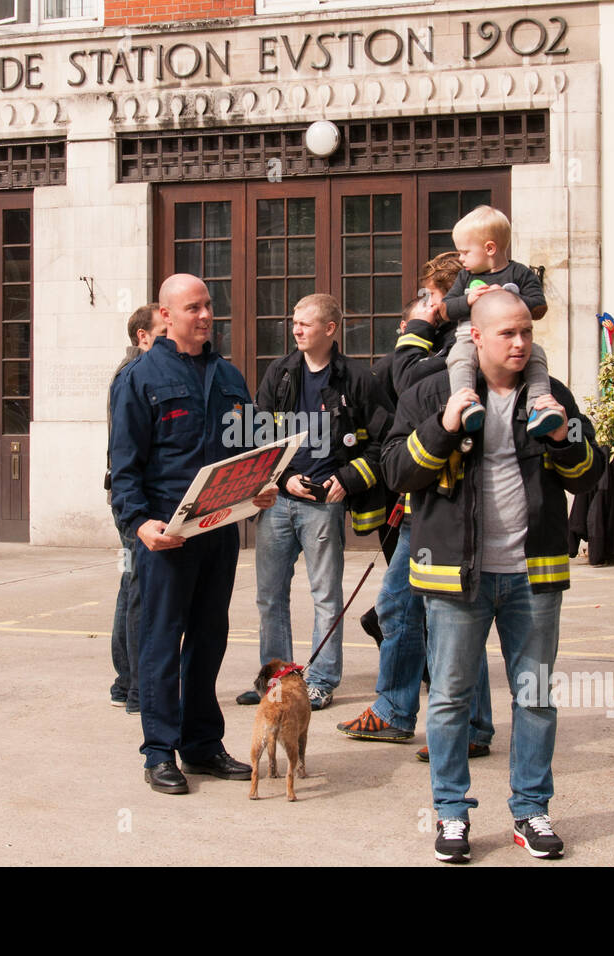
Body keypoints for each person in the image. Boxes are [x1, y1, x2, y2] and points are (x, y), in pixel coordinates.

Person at [383, 289, 604, 864]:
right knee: (451, 699)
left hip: (533, 575)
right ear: (475, 336)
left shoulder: (550, 394)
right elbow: (397, 473)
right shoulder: (432, 391)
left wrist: (563, 437)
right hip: (457, 578)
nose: (520, 342)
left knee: (534, 698)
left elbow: (586, 477)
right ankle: (452, 815)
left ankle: (531, 811)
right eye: (507, 333)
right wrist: (442, 427)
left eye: (527, 331)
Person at [109, 274, 277, 795]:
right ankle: (159, 752)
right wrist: (139, 526)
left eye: (209, 306)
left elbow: (250, 446)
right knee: (161, 644)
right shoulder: (140, 378)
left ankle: (202, 745)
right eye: (193, 308)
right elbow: (123, 467)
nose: (206, 315)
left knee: (209, 640)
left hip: (220, 531)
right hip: (169, 535)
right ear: (165, 315)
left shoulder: (229, 376)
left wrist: (260, 488)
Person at [339, 264, 495, 763]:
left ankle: (466, 723)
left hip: (447, 509)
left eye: (431, 296)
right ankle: (396, 711)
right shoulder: (449, 342)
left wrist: (418, 331)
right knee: (401, 608)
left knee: (452, 616)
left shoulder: (459, 345)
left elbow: (404, 381)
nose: (425, 305)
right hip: (420, 504)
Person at [236, 293, 385, 712]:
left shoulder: (356, 378)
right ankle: (278, 679)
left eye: (305, 323)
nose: (296, 329)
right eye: (294, 322)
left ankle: (320, 681)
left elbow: (382, 443)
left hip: (324, 504)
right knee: (269, 595)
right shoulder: (280, 374)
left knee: (325, 595)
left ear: (330, 329)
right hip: (278, 502)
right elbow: (257, 435)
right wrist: (282, 479)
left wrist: (348, 478)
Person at [441, 205, 558, 437]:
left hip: (508, 345)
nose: (460, 258)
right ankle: (466, 404)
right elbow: (445, 309)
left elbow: (539, 306)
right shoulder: (465, 277)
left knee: (536, 356)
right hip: (468, 340)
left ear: (490, 248)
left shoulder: (520, 273)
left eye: (465, 252)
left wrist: (509, 297)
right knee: (459, 358)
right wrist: (469, 300)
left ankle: (539, 407)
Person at [106, 304, 165, 715]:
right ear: (142, 337)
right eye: (163, 332)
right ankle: (136, 687)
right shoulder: (134, 376)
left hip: (127, 497)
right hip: (134, 501)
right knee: (140, 587)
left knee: (130, 584)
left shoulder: (130, 372)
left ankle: (124, 680)